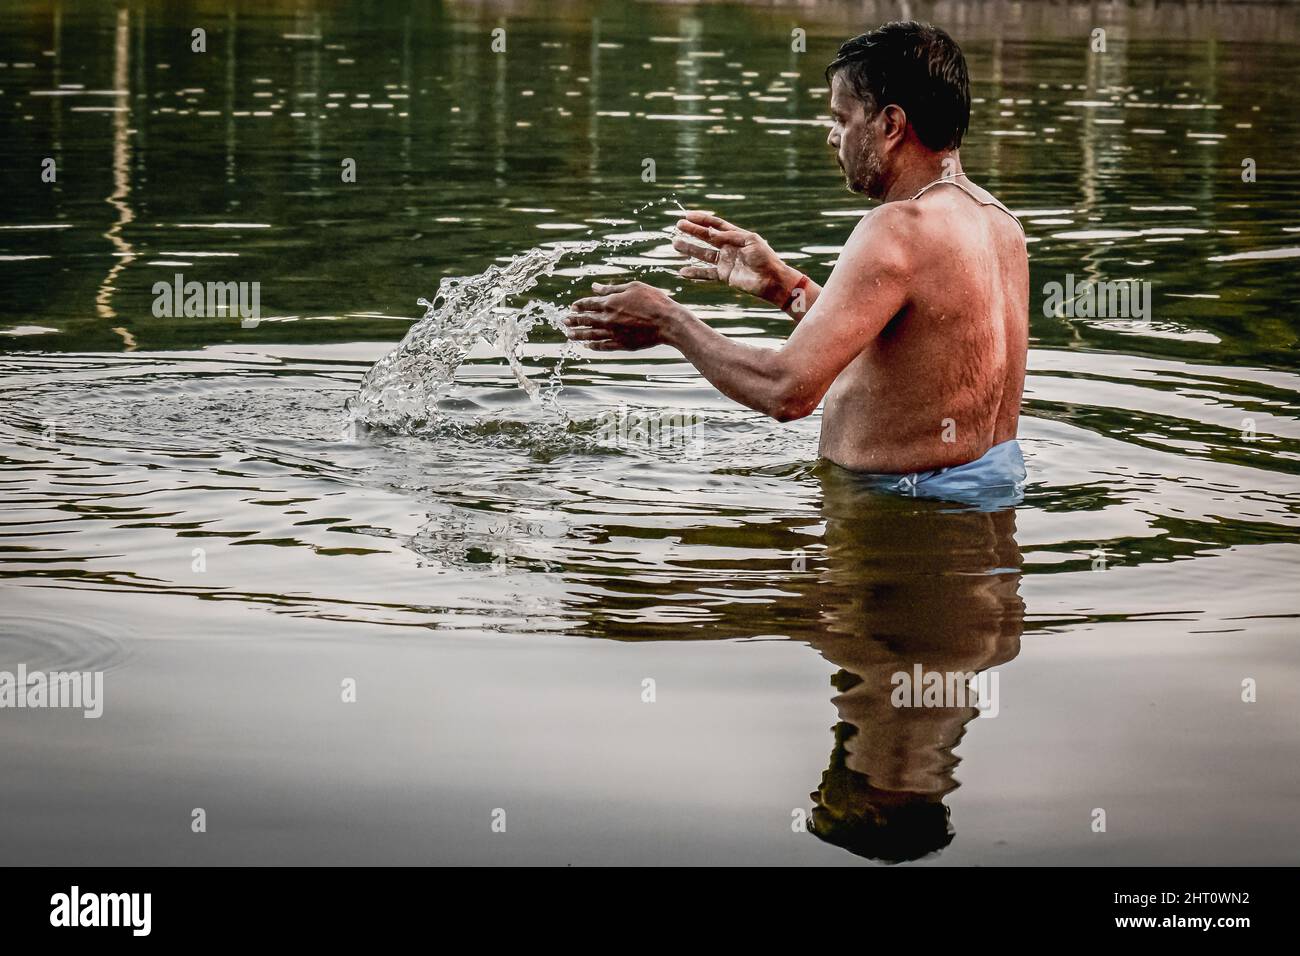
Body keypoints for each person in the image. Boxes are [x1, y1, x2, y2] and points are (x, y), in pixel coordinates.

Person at [564, 21, 1029, 504]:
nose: (833, 138)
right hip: (979, 515)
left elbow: (787, 391)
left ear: (890, 125)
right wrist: (783, 286)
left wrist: (669, 321)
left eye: (842, 119)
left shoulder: (898, 227)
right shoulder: (1000, 224)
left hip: (897, 521)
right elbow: (909, 354)